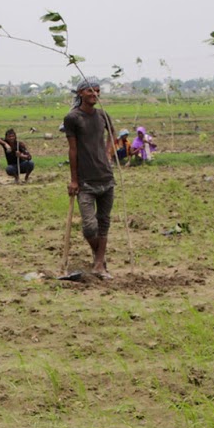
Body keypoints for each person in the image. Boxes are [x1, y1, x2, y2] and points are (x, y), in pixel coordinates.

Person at [64, 78, 118, 278]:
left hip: (106, 178)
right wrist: (74, 180)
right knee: (89, 227)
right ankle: (99, 258)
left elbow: (112, 133)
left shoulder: (103, 115)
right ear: (80, 93)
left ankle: (98, 265)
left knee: (104, 222)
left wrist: (109, 153)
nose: (94, 94)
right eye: (89, 91)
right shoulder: (72, 118)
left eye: (97, 90)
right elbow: (72, 150)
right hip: (86, 181)